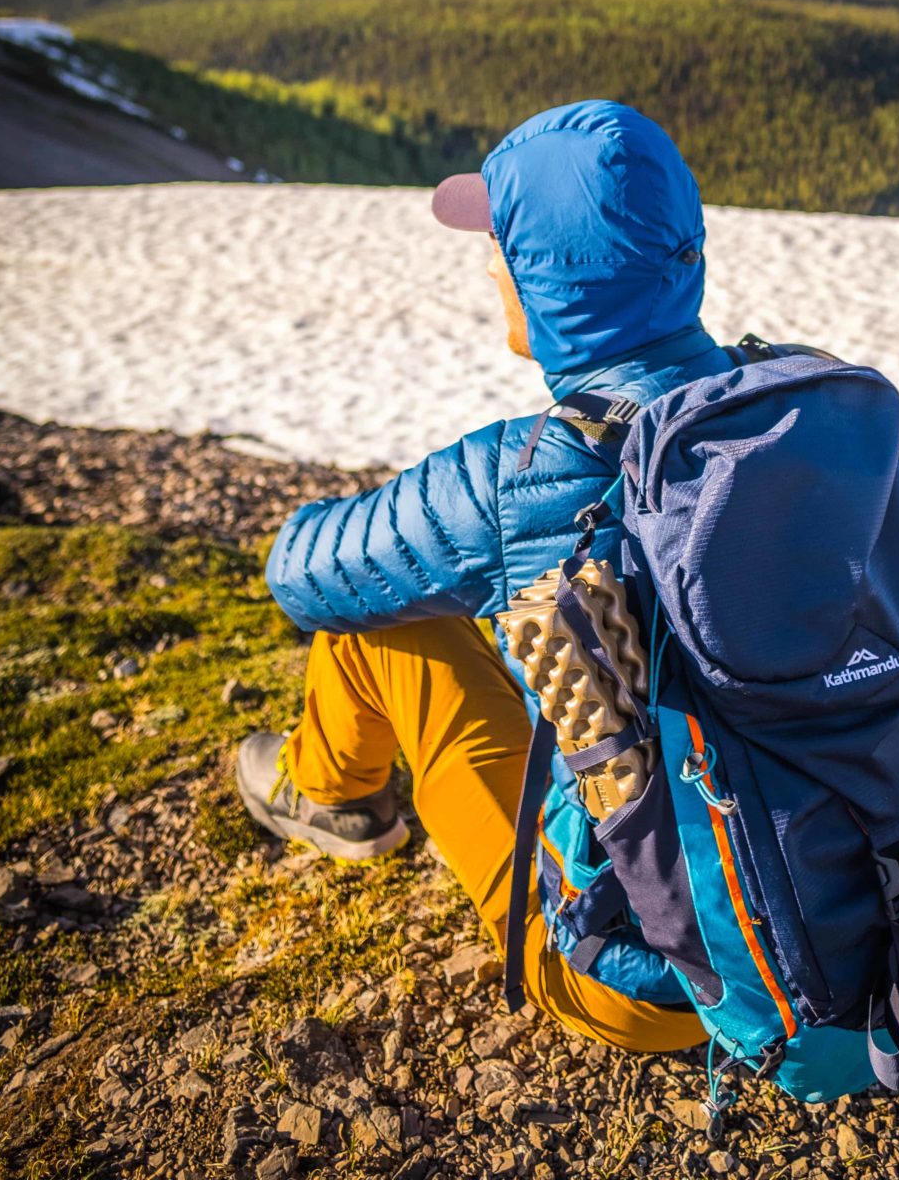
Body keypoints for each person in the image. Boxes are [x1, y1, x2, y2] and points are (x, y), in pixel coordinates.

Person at [236, 99, 733, 1054]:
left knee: (379, 617)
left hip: (656, 988)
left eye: (504, 247)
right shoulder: (797, 414)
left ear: (549, 280)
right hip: (888, 943)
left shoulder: (527, 474)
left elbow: (302, 576)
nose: (491, 265)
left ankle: (330, 794)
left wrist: (403, 531)